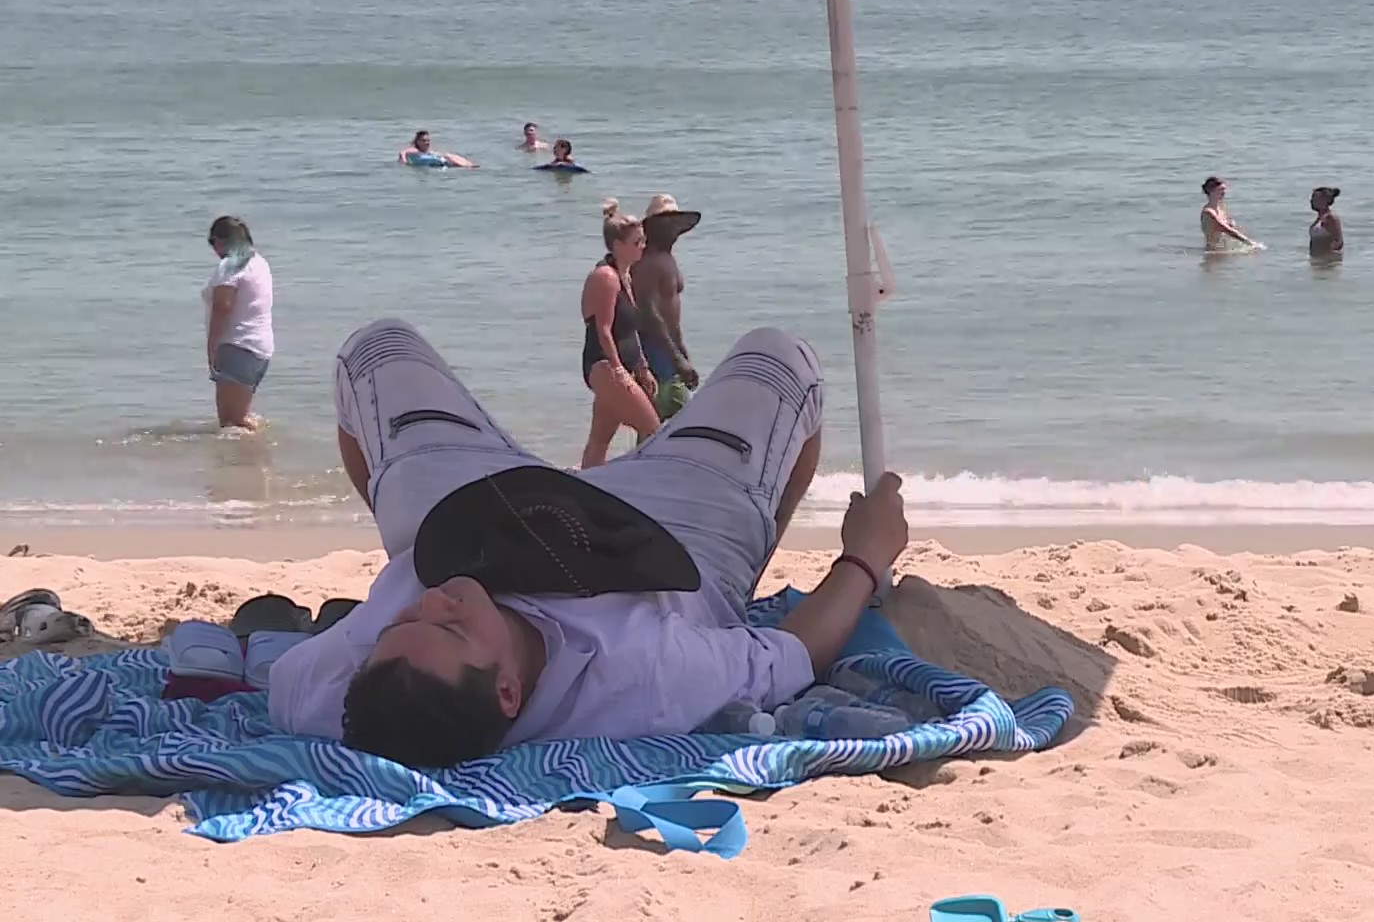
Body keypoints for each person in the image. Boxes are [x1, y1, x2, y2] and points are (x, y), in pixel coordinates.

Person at [266, 314, 910, 768]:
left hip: (462, 514)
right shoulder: (647, 674)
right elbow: (794, 653)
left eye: (404, 620)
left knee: (374, 350)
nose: (436, 604)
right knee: (783, 358)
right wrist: (865, 554)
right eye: (453, 631)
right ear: (509, 692)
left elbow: (289, 679)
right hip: (668, 541)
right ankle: (735, 562)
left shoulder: (341, 689)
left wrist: (404, 619)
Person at [579, 201, 662, 468]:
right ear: (618, 244)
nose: (643, 246)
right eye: (637, 242)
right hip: (604, 365)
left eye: (643, 241)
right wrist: (619, 371)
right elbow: (603, 330)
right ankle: (639, 484)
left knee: (600, 437)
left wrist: (642, 367)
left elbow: (629, 330)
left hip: (620, 365)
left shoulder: (625, 276)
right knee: (651, 428)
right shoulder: (606, 277)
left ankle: (588, 485)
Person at [632, 195, 705, 421]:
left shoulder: (666, 258)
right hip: (654, 347)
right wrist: (676, 358)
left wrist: (682, 351)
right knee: (677, 418)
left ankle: (643, 456)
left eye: (675, 222)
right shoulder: (649, 261)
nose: (672, 228)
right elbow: (649, 313)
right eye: (666, 223)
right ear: (652, 227)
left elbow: (671, 314)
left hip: (668, 346)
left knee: (658, 421)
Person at [203, 216, 274, 431]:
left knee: (232, 423)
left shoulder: (231, 265)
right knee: (237, 420)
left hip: (237, 347)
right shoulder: (259, 262)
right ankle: (250, 459)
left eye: (212, 242)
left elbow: (223, 306)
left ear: (221, 241)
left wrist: (212, 347)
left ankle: (254, 457)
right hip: (258, 349)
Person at [1199, 176, 1257, 250]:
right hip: (1214, 252)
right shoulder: (1208, 212)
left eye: (1225, 189)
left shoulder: (1221, 208)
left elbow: (1232, 228)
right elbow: (1227, 230)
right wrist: (1250, 243)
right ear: (1211, 190)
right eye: (1221, 189)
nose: (1224, 192)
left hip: (1224, 250)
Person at [399, 130, 475, 169]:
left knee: (450, 155)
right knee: (448, 156)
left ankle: (469, 165)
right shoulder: (415, 150)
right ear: (417, 141)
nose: (427, 142)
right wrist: (404, 161)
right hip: (437, 164)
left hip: (438, 163)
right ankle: (469, 166)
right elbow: (403, 152)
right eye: (424, 140)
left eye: (428, 140)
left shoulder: (426, 151)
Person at [1308, 187, 1344, 256]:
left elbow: (1339, 242)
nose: (1312, 201)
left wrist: (1329, 259)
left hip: (1327, 261)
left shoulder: (1330, 218)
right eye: (1312, 198)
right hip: (1317, 261)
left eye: (1316, 199)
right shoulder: (1318, 219)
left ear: (1326, 200)